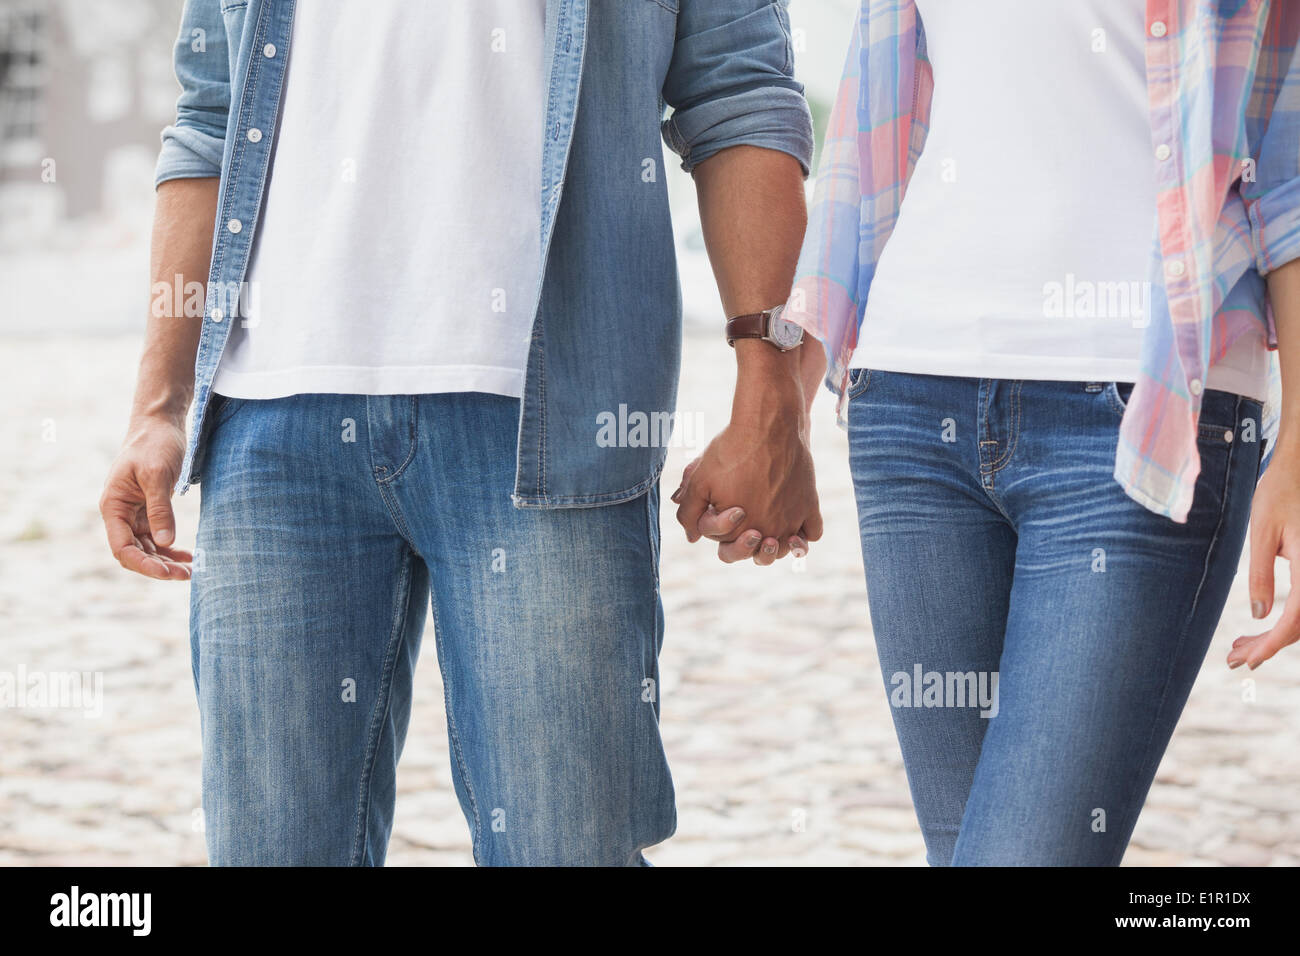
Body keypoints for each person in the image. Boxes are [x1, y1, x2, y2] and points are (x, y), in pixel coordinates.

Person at [100, 0, 818, 866]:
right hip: (273, 421)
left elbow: (738, 92)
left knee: (566, 848)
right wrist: (158, 407)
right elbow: (212, 117)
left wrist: (770, 391)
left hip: (550, 411)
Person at [682, 0, 1300, 865]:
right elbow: (873, 128)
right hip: (911, 400)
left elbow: (1287, 159)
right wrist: (780, 404)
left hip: (1145, 409)